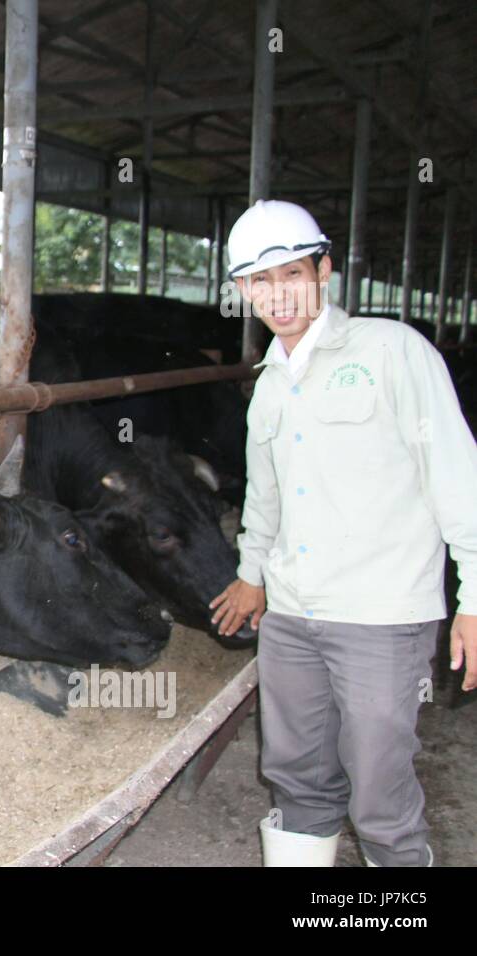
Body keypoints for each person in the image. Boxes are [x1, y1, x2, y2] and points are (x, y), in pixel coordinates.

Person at [208, 199, 477, 867]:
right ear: (242, 291)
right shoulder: (269, 383)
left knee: (381, 791)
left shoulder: (393, 352)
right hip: (294, 616)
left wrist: (474, 599)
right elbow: (264, 496)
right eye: (259, 282)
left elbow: (457, 476)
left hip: (381, 615)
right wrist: (252, 573)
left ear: (323, 270)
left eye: (292, 273)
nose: (278, 295)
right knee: (297, 776)